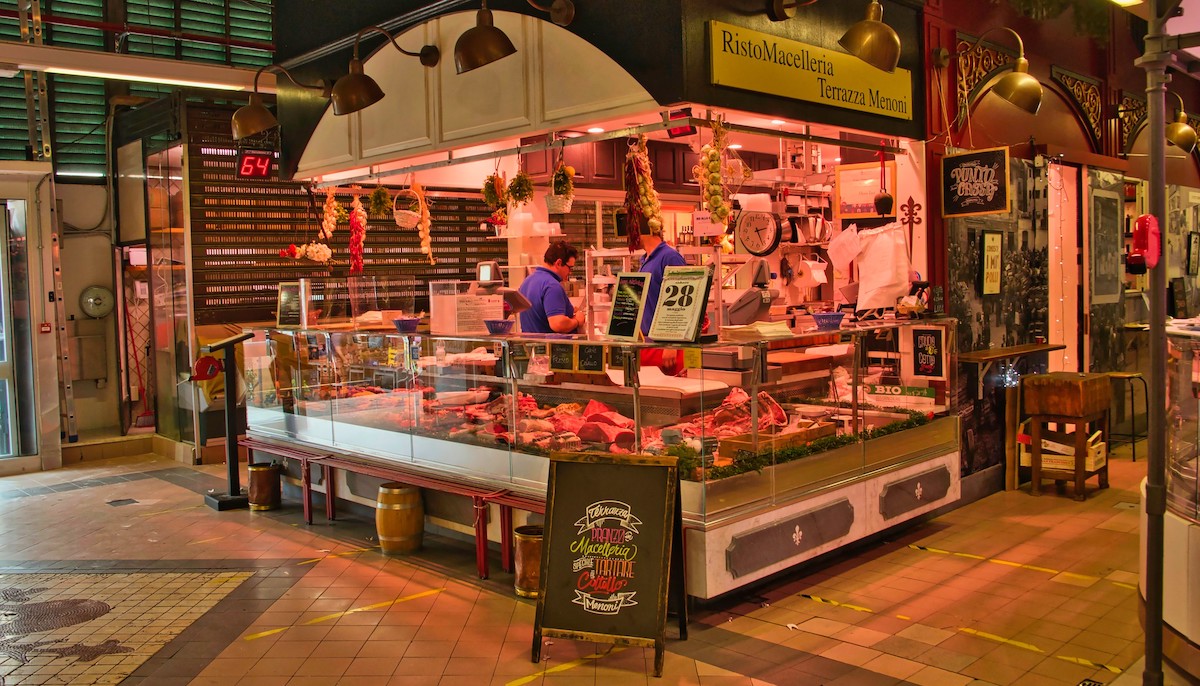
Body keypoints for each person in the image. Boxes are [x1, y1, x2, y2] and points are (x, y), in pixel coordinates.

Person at [638, 230, 687, 374]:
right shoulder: (645, 259)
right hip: (648, 345)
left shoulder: (670, 257)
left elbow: (682, 303)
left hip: (666, 349)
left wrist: (672, 345)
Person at [518, 240, 585, 334]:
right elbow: (558, 324)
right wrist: (577, 321)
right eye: (570, 268)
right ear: (558, 263)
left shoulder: (527, 281)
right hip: (548, 347)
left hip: (530, 345)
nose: (570, 272)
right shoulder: (552, 285)